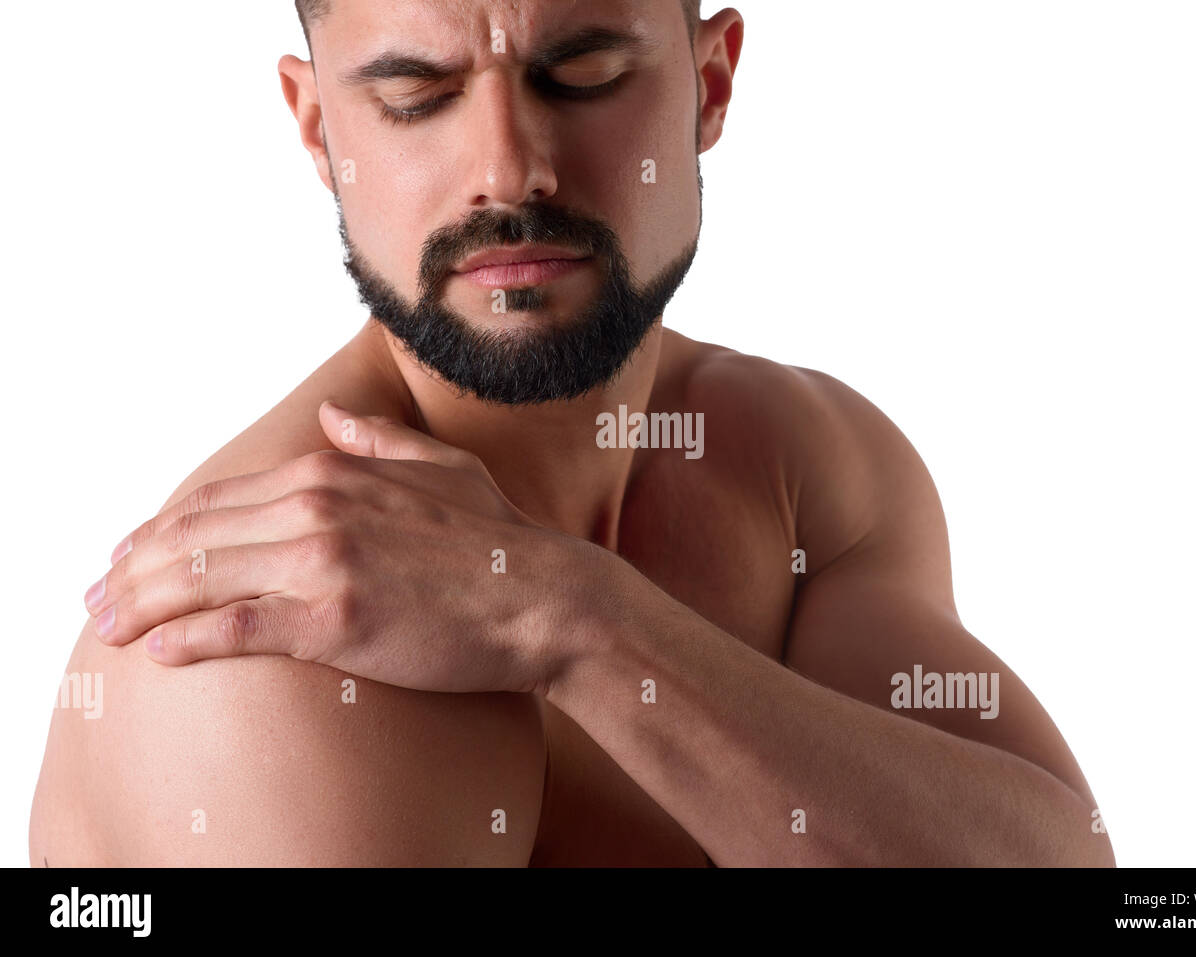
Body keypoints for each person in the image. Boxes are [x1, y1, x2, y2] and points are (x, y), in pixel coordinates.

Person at [29, 0, 1115, 867]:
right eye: (417, 95)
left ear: (711, 84)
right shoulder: (283, 634)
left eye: (581, 73)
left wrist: (570, 618)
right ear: (319, 131)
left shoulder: (799, 462)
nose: (509, 169)